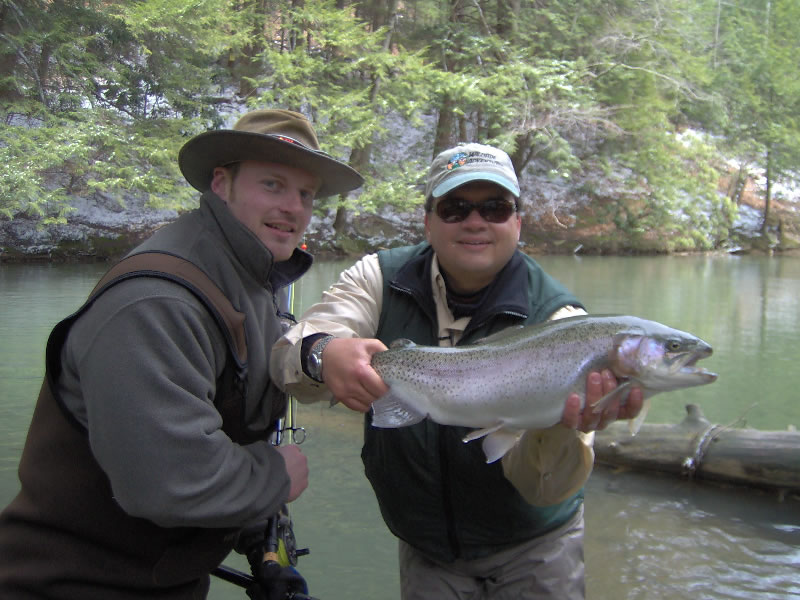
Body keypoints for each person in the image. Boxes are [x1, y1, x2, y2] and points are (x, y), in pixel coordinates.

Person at [0, 109, 363, 599]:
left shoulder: (250, 279)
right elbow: (171, 482)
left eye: (305, 194)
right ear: (221, 183)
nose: (293, 207)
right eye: (273, 185)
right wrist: (275, 475)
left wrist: (253, 520)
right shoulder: (156, 302)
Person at [270, 143, 644, 599]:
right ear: (428, 222)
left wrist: (561, 425)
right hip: (426, 549)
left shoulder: (561, 322)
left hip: (537, 549)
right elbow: (286, 357)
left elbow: (543, 489)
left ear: (517, 222)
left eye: (495, 207)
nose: (475, 221)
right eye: (455, 208)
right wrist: (321, 353)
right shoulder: (376, 278)